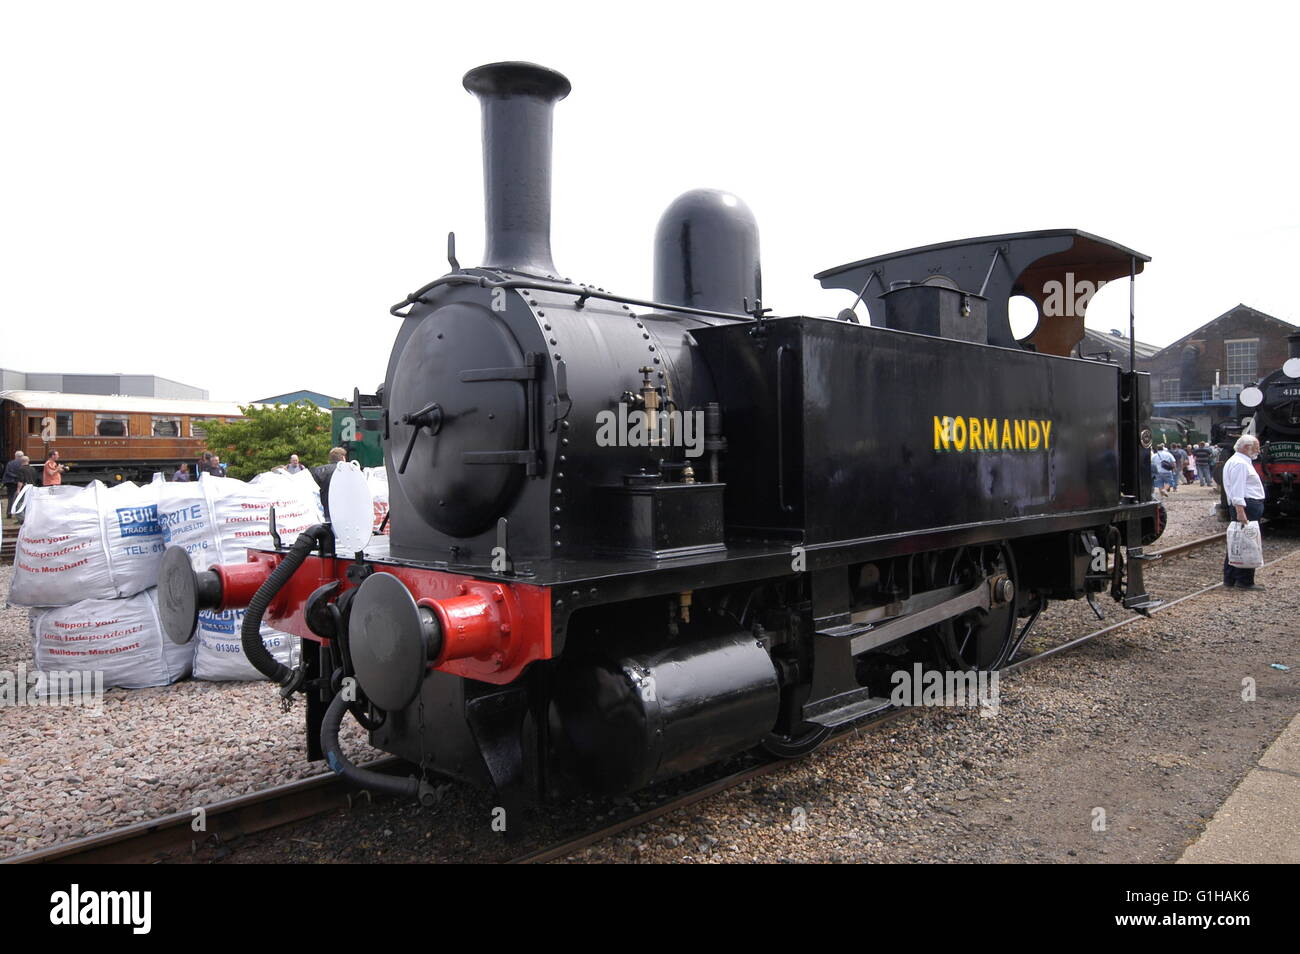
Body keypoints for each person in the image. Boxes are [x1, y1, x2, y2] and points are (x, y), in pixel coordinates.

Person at [1222, 435, 1267, 591]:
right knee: (1247, 543)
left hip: (1246, 506)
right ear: (1246, 447)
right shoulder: (1240, 464)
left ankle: (1230, 578)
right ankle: (1244, 580)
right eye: (1256, 447)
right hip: (1246, 507)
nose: (1258, 450)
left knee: (1237, 542)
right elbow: (1237, 490)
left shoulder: (1238, 461)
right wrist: (1240, 511)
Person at [311, 447, 348, 520]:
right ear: (343, 458)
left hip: (325, 511)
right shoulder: (350, 471)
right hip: (345, 512)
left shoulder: (318, 470)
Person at [3, 451, 23, 517]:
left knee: (10, 498)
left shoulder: (10, 463)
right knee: (20, 498)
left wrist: (14, 476)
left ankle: (9, 513)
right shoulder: (23, 463)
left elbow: (7, 472)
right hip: (19, 482)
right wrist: (18, 477)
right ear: (22, 456)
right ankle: (19, 514)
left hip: (10, 482)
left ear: (15, 456)